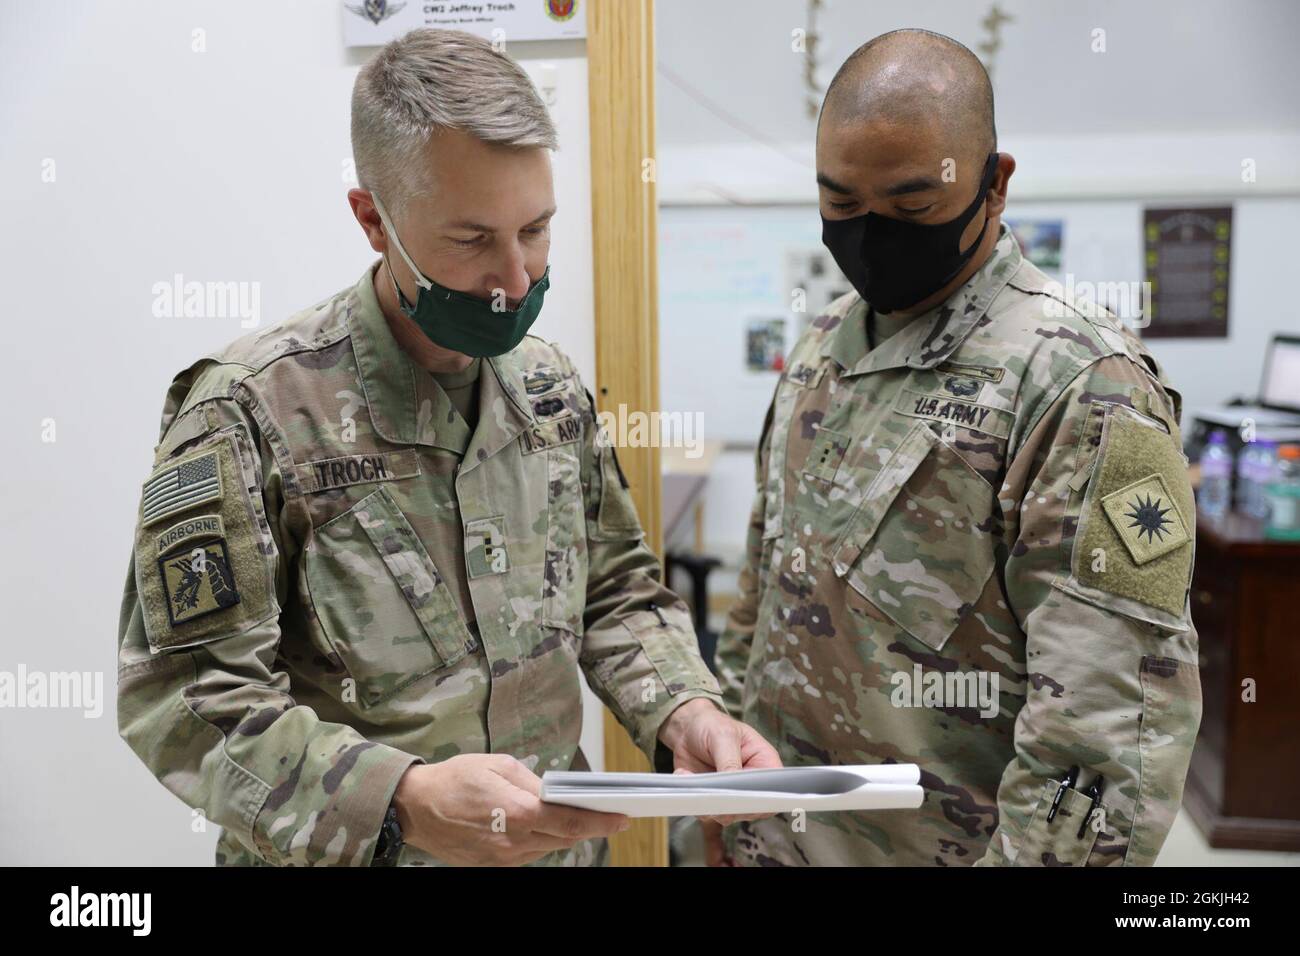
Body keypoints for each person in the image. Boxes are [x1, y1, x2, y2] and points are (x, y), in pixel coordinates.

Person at [116, 28, 778, 867]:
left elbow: (615, 594)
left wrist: (688, 712)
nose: (515, 280)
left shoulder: (548, 389)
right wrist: (400, 802)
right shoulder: (251, 413)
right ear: (372, 220)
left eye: (536, 230)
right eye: (471, 241)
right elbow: (182, 696)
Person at [711, 29, 1200, 867]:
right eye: (841, 204)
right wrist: (725, 807)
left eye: (910, 209)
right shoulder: (828, 343)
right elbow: (763, 584)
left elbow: (1108, 726)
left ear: (994, 184)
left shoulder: (1081, 383)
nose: (870, 235)